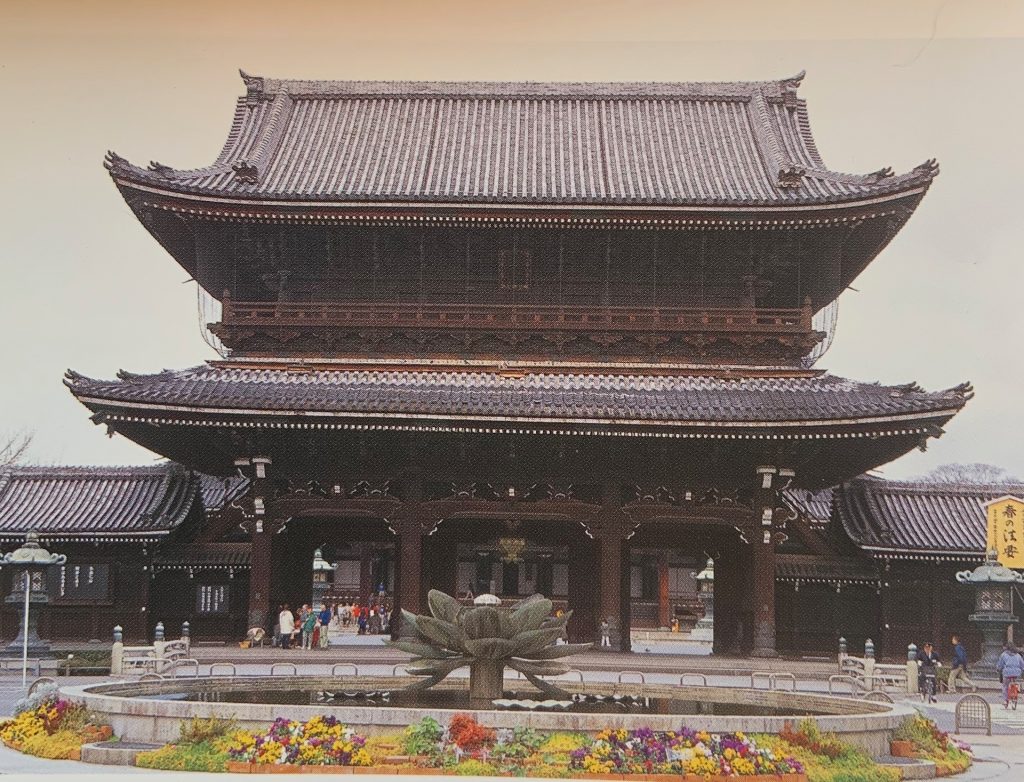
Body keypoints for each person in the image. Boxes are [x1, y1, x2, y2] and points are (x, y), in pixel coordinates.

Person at [996, 644, 1024, 708]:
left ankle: (1005, 701)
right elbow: (1022, 665)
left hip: (1007, 673)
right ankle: (1014, 695)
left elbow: (1000, 664)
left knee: (1005, 686)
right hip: (1016, 673)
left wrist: (998, 669)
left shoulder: (1003, 654)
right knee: (1014, 683)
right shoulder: (1018, 655)